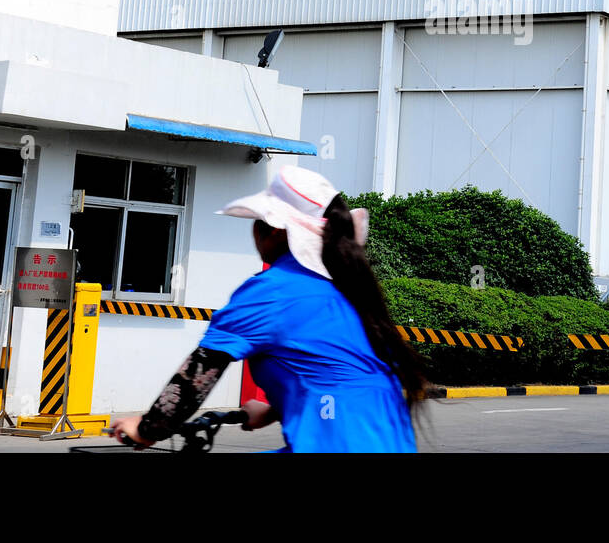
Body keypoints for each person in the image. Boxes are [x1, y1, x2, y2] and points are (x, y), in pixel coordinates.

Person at [110, 165, 427, 452]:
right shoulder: (346, 293)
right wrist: (274, 411)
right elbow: (339, 377)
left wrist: (146, 428)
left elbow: (197, 375)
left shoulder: (272, 290)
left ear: (274, 230)